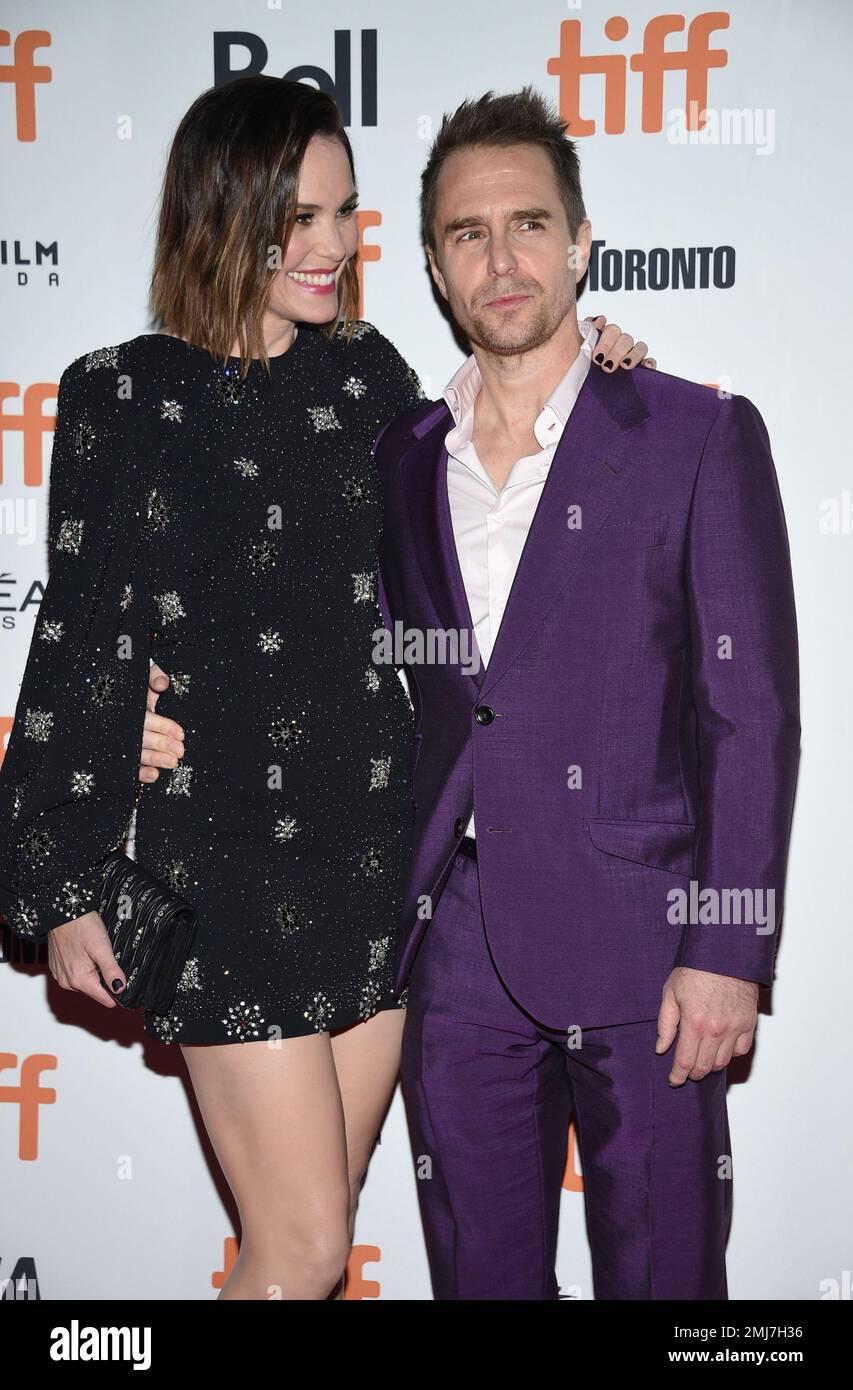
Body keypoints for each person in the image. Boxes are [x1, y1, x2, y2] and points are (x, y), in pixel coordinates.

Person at [0, 74, 652, 1301]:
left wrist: (598, 371)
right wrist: (62, 872)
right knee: (299, 1253)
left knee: (299, 1246)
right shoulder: (117, 396)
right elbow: (78, 637)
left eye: (343, 213)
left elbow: (478, 489)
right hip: (221, 871)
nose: (333, 246)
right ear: (220, 210)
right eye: (295, 218)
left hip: (370, 861)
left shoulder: (370, 380)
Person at [370, 87, 800, 1300]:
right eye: (466, 234)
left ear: (579, 244)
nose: (499, 260)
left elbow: (749, 713)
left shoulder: (691, 433)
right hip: (451, 949)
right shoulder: (398, 456)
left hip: (647, 947)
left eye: (526, 225)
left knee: (668, 1287)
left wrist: (728, 948)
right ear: (435, 267)